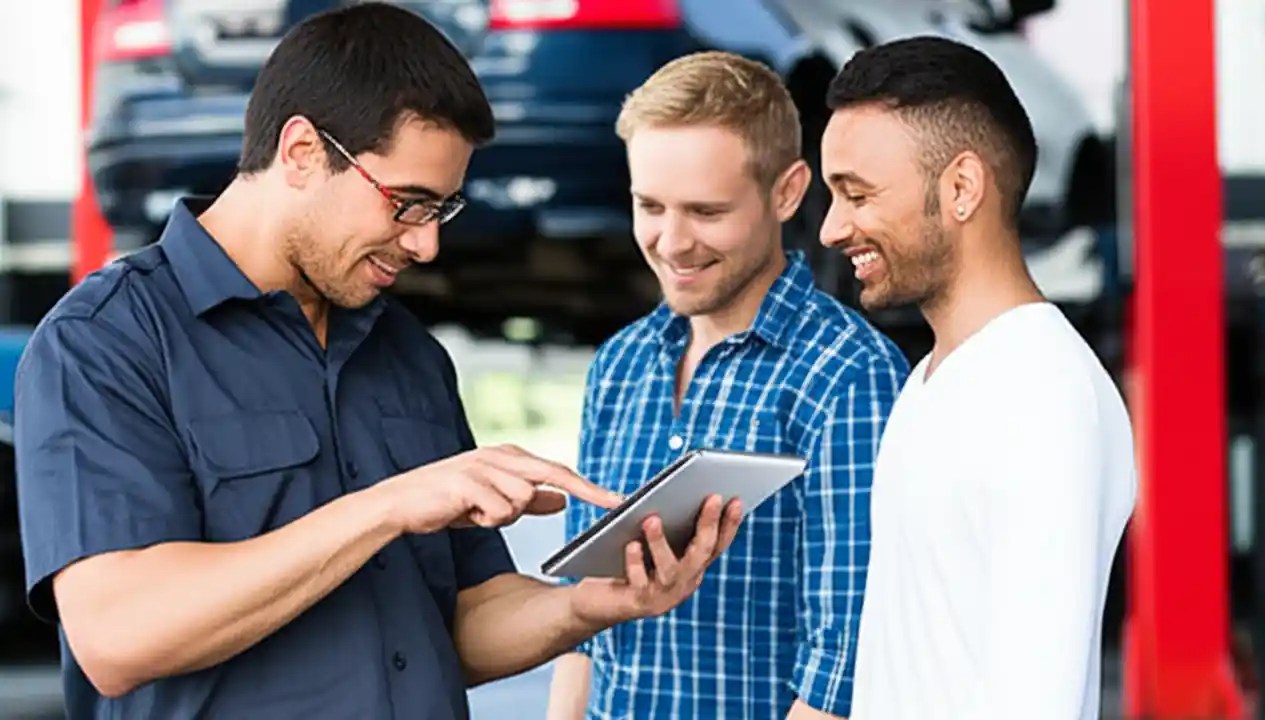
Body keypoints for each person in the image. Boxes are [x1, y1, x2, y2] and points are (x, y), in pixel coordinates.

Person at [13, 5, 743, 719]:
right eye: (408, 202)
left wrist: (586, 605)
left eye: (441, 211)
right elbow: (119, 635)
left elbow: (452, 626)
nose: (425, 245)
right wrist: (387, 507)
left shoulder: (405, 352)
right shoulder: (104, 342)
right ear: (302, 152)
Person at [546, 51, 909, 720]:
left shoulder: (847, 374)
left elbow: (844, 661)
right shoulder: (619, 366)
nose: (672, 242)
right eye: (649, 206)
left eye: (706, 212)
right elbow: (582, 618)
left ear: (788, 192)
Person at [816, 36, 1137, 718]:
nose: (833, 228)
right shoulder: (932, 378)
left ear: (961, 188)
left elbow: (1035, 697)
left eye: (858, 195)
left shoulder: (1042, 395)